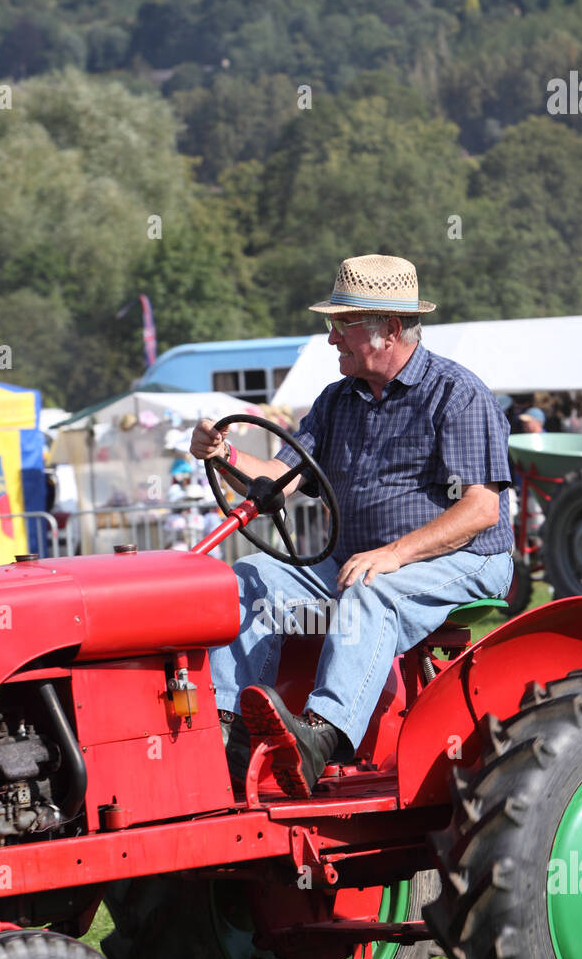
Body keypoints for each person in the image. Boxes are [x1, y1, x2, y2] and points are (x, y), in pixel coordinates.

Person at [190, 253, 514, 797]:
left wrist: (395, 554)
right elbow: (280, 478)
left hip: (467, 558)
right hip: (359, 559)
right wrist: (225, 455)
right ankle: (228, 730)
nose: (332, 338)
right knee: (248, 577)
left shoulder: (456, 394)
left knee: (369, 589)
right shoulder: (340, 401)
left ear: (389, 329)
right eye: (331, 324)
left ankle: (323, 734)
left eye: (343, 324)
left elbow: (480, 510)